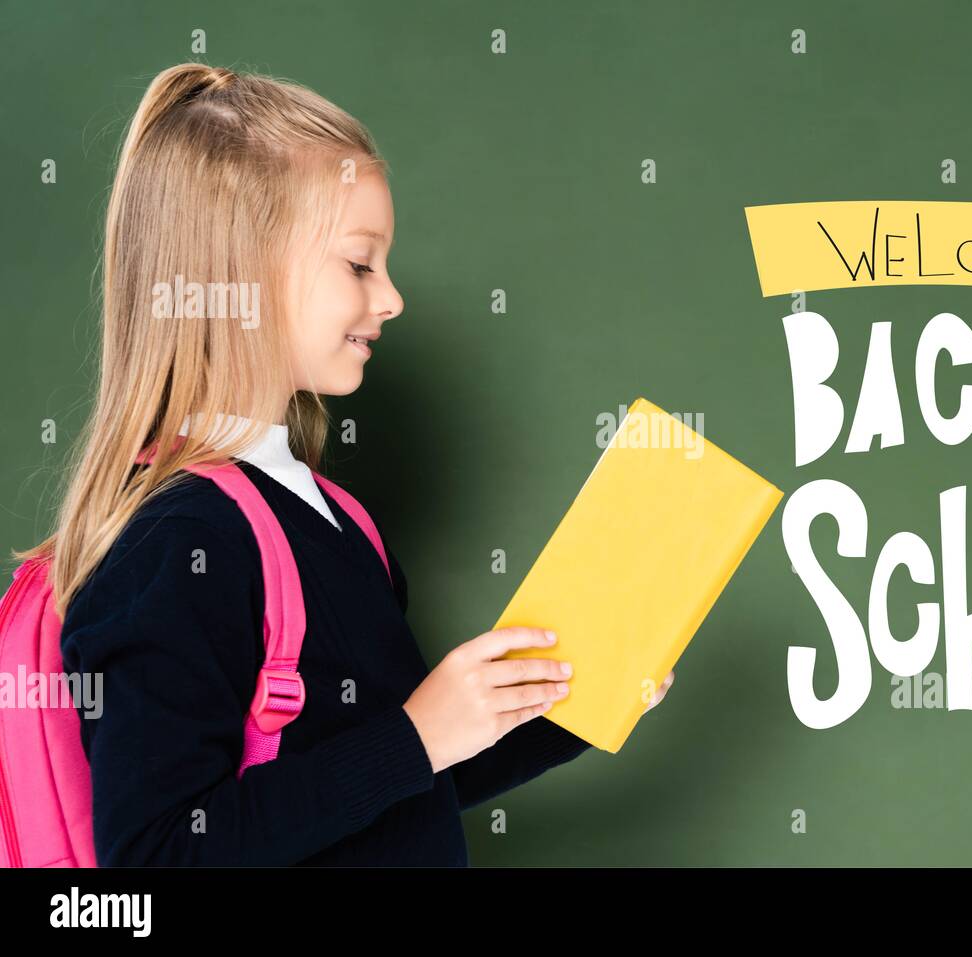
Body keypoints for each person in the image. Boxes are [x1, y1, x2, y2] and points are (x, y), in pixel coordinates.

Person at [20, 62, 673, 866]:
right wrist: (416, 735)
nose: (392, 296)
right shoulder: (174, 541)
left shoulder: (337, 519)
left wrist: (567, 709)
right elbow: (155, 856)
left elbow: (394, 785)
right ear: (242, 276)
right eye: (361, 264)